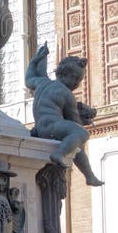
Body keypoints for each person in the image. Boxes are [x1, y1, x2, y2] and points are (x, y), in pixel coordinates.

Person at [25, 43, 104, 187]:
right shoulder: (66, 94)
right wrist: (85, 119)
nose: (77, 83)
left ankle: (90, 176)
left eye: (79, 80)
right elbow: (75, 123)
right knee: (81, 135)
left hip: (39, 128)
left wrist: (34, 61)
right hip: (51, 128)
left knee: (76, 142)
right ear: (62, 74)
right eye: (75, 78)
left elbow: (29, 78)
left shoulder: (42, 83)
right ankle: (60, 154)